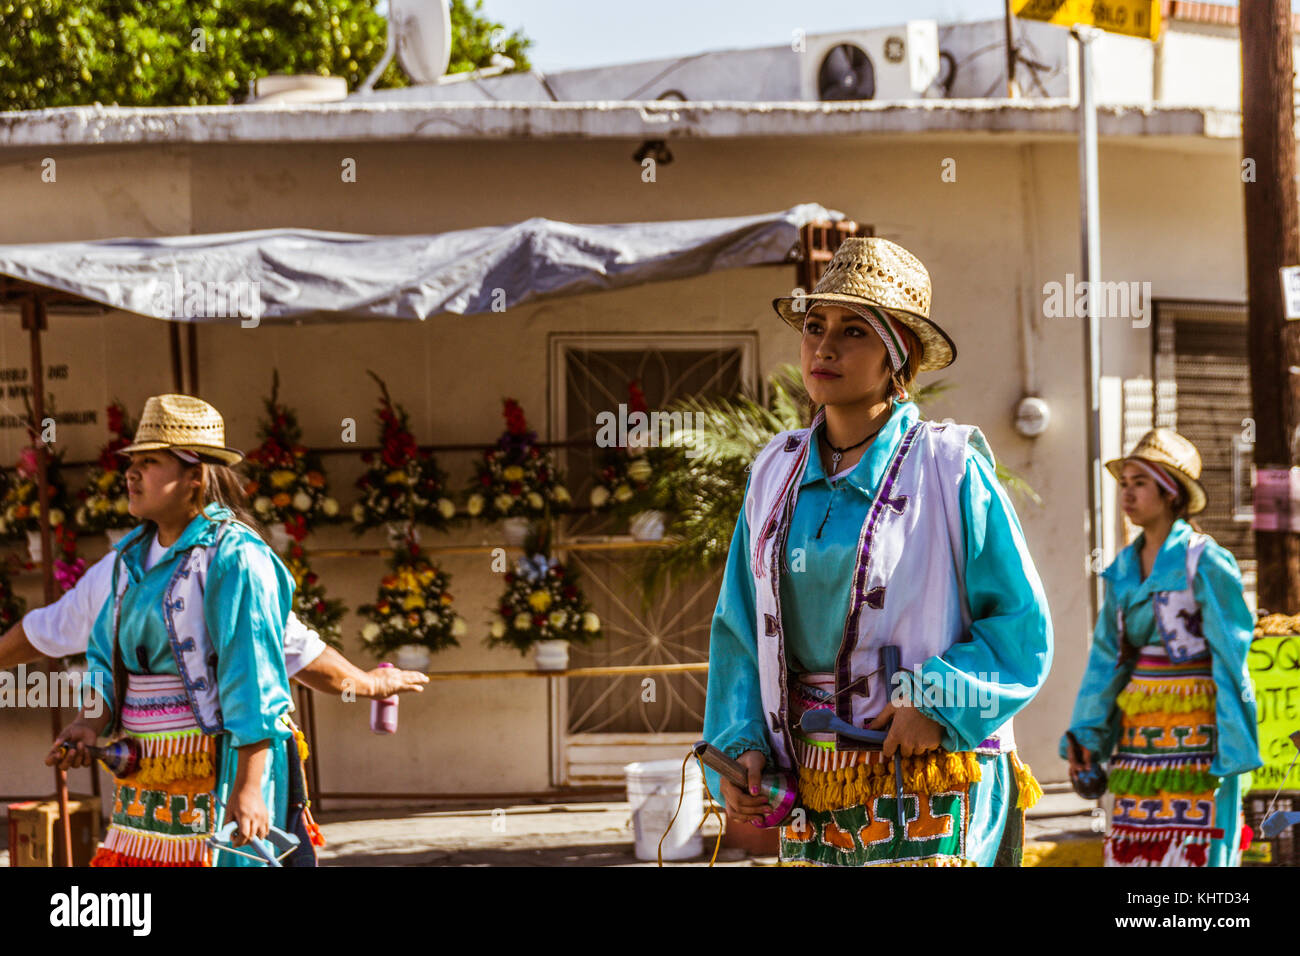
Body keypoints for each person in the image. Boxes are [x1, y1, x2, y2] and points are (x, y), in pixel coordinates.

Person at [703, 237, 1054, 867]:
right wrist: (740, 744)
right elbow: (737, 628)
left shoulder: (949, 468)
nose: (824, 346)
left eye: (854, 331)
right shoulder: (772, 472)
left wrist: (937, 703)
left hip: (928, 775)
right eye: (814, 327)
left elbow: (1020, 628)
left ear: (901, 356)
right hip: (812, 782)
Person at [47, 394, 302, 866]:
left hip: (217, 770)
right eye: (132, 462)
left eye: (151, 462)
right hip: (144, 778)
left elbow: (254, 678)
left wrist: (250, 787)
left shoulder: (234, 558)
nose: (131, 473)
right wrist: (88, 723)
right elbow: (103, 658)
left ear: (196, 476)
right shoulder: (128, 559)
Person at [1061, 429, 1260, 867]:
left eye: (1140, 483)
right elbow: (1105, 658)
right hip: (1140, 735)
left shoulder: (1204, 561)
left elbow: (1231, 656)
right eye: (1124, 483)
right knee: (1138, 844)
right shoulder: (1121, 571)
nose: (1127, 495)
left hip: (1202, 731)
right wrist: (1086, 732)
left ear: (1171, 493)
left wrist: (1235, 741)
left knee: (1200, 843)